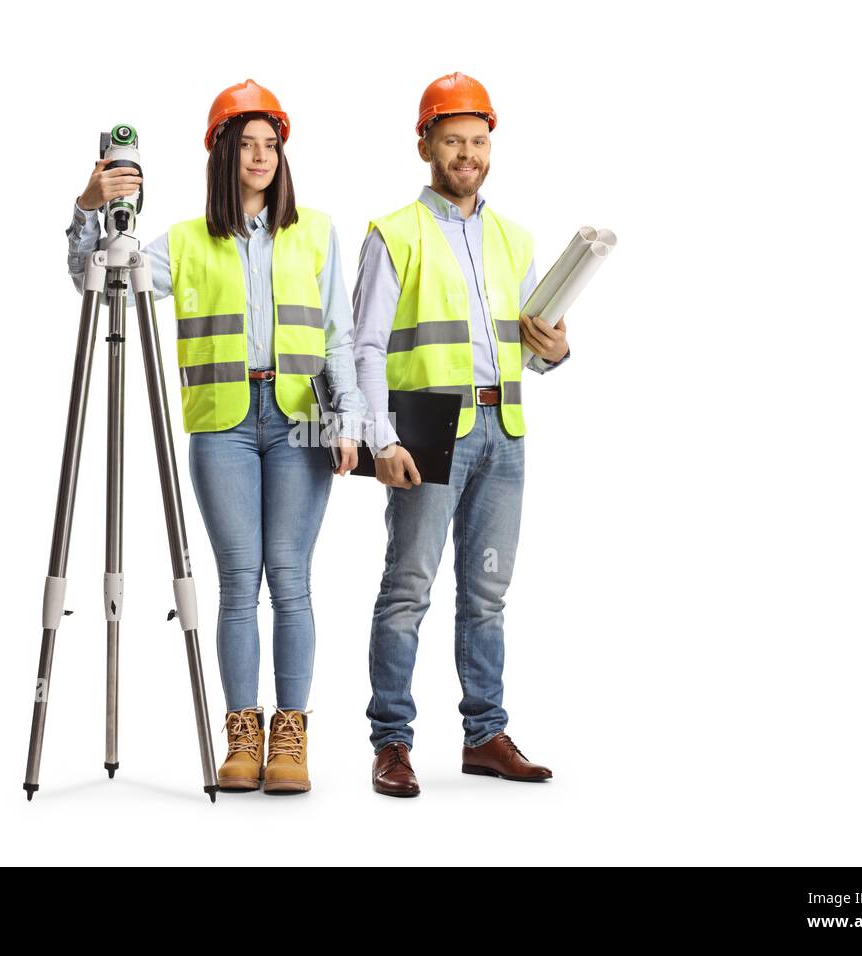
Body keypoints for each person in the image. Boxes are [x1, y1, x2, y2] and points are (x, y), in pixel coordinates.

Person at [65, 79, 368, 794]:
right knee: (239, 583)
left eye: (272, 145)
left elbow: (338, 336)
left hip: (300, 422)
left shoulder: (317, 230)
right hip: (222, 427)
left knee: (290, 582)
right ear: (223, 153)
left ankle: (289, 737)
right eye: (248, 144)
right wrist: (87, 206)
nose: (261, 156)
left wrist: (349, 418)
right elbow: (91, 277)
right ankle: (242, 735)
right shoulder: (182, 242)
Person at [352, 72, 571, 797]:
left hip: (503, 434)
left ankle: (485, 734)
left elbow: (534, 350)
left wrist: (556, 349)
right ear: (426, 146)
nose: (467, 154)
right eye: (453, 141)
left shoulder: (515, 238)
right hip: (428, 437)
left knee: (487, 592)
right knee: (408, 588)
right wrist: (380, 437)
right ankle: (392, 742)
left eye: (478, 141)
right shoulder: (394, 233)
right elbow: (365, 346)